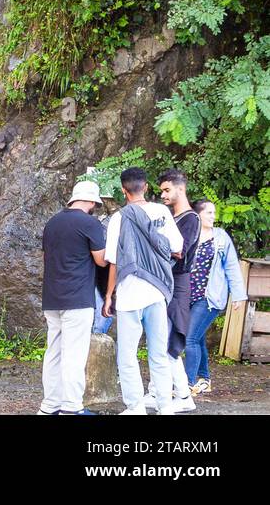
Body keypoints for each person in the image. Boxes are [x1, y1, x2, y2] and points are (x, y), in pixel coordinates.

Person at [103, 167, 183, 415]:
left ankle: (136, 407)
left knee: (127, 355)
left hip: (129, 296)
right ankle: (165, 406)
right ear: (146, 187)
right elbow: (177, 246)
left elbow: (114, 261)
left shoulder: (119, 218)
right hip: (157, 292)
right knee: (158, 352)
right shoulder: (161, 212)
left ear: (124, 191)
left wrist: (108, 295)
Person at [39, 179, 107, 415]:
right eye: (94, 204)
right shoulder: (90, 223)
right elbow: (101, 260)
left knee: (54, 352)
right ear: (90, 201)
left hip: (51, 298)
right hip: (77, 298)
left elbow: (47, 257)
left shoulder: (52, 223)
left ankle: (49, 407)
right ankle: (72, 408)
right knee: (74, 355)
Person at [185, 198, 248, 395]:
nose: (214, 216)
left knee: (190, 339)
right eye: (209, 213)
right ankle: (205, 379)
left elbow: (231, 266)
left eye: (214, 212)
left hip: (209, 297)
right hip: (187, 295)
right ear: (198, 215)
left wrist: (238, 296)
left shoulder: (220, 237)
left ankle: (187, 384)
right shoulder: (189, 234)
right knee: (198, 337)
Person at [151, 170, 199, 412]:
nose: (163, 195)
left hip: (178, 281)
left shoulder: (191, 218)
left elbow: (180, 252)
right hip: (167, 280)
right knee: (160, 337)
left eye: (166, 190)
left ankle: (181, 395)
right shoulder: (171, 216)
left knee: (170, 338)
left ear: (180, 189)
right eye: (161, 191)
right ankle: (160, 391)